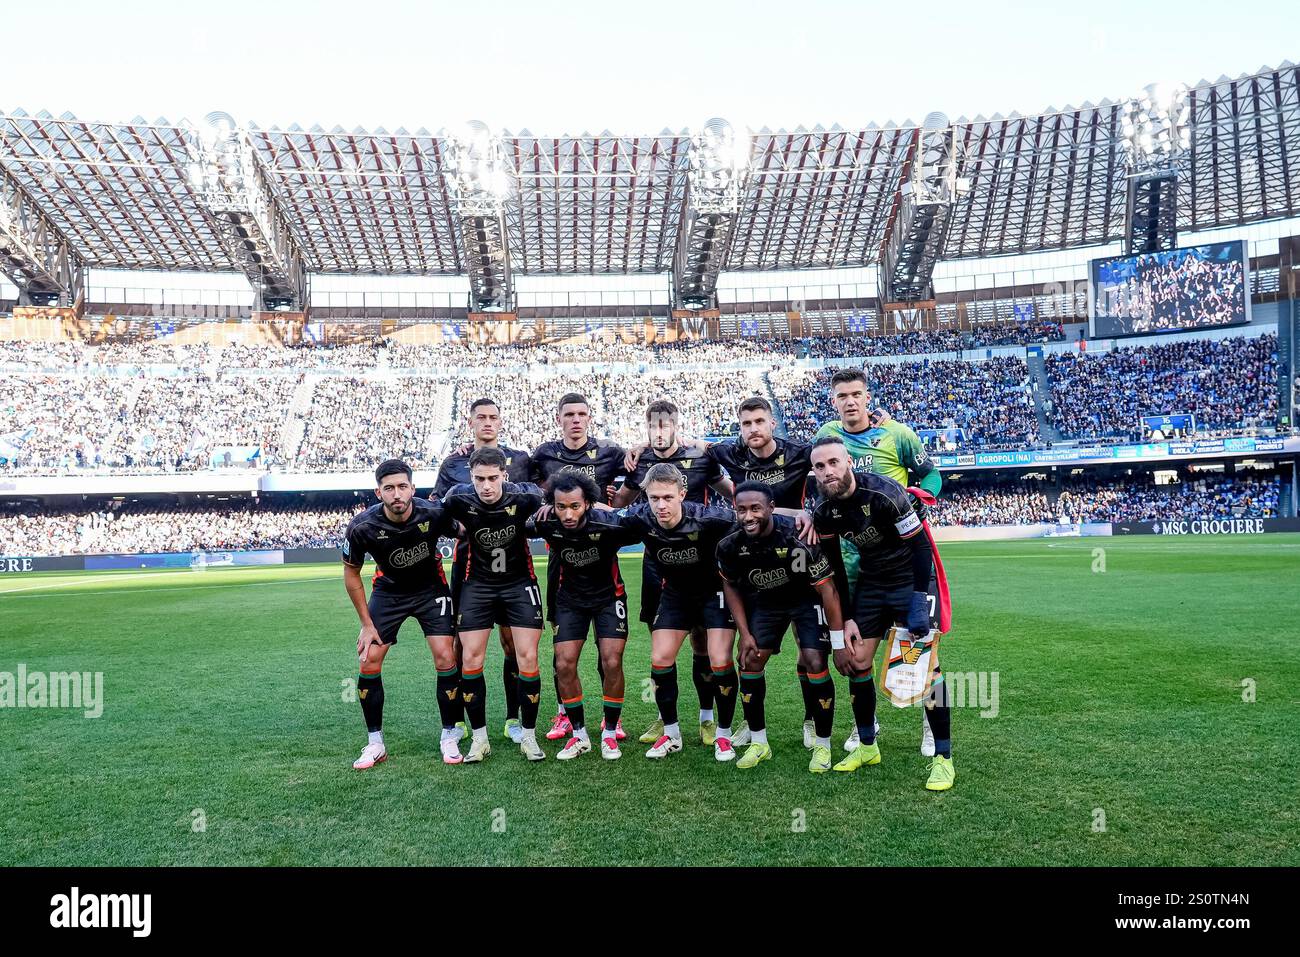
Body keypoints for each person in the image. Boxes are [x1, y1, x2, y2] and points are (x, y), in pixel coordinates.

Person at [808, 436, 954, 791]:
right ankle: (868, 745)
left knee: (924, 667)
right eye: (819, 466)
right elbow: (837, 569)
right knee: (857, 662)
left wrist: (919, 600)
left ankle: (944, 759)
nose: (827, 472)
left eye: (833, 463)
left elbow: (920, 547)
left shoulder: (885, 493)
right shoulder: (825, 511)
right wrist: (848, 621)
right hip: (872, 584)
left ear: (849, 463)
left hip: (911, 580)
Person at [815, 367, 943, 755]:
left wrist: (921, 499)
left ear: (868, 397)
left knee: (921, 653)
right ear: (833, 401)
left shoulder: (898, 434)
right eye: (842, 396)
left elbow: (931, 475)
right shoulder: (826, 437)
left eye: (856, 394)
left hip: (903, 549)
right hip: (857, 560)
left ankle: (931, 726)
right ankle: (865, 729)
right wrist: (808, 512)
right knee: (856, 655)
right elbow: (813, 476)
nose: (850, 402)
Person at [612, 399, 735, 748]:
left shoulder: (701, 457)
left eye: (666, 424)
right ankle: (665, 718)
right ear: (647, 427)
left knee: (702, 641)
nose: (660, 431)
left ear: (676, 425)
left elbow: (732, 495)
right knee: (660, 642)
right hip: (659, 565)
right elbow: (619, 505)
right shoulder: (638, 461)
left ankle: (707, 716)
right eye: (654, 426)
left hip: (703, 562)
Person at [717, 482, 849, 772]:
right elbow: (730, 586)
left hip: (805, 600)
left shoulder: (797, 538)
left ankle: (822, 745)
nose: (748, 516)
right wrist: (744, 634)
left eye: (755, 509)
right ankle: (759, 743)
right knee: (750, 660)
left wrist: (838, 645)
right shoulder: (730, 545)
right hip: (765, 603)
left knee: (814, 660)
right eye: (741, 510)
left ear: (771, 508)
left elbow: (828, 591)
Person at [341, 459, 461, 769]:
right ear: (378, 492)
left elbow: (467, 532)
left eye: (403, 487)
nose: (397, 494)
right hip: (389, 592)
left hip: (431, 589)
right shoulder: (362, 526)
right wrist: (366, 624)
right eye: (389, 488)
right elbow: (351, 573)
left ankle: (450, 734)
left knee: (445, 656)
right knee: (369, 659)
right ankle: (375, 742)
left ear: (412, 488)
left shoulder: (433, 512)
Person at [529, 392, 629, 744]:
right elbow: (515, 479)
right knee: (564, 654)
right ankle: (564, 714)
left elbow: (638, 468)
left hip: (600, 549)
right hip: (562, 562)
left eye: (581, 413)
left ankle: (610, 720)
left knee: (609, 653)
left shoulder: (609, 452)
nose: (575, 419)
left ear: (589, 418)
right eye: (568, 414)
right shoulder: (543, 454)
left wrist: (609, 504)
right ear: (559, 418)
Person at [434, 397, 532, 745]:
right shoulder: (453, 464)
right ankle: (460, 722)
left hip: (512, 567)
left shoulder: (521, 459)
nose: (487, 422)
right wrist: (459, 532)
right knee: (463, 645)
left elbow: (540, 499)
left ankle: (512, 719)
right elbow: (437, 512)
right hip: (469, 565)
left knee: (512, 643)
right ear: (470, 422)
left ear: (501, 422)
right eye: (481, 418)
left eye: (493, 417)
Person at [440, 447, 547, 762]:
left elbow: (557, 505)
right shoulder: (458, 498)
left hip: (519, 585)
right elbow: (437, 516)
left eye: (492, 478)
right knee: (471, 657)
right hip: (478, 585)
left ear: (504, 475)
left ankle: (528, 736)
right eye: (479, 479)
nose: (486, 486)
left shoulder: (526, 497)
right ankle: (479, 738)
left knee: (527, 656)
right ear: (471, 477)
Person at [528, 472, 641, 760]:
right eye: (561, 506)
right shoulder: (545, 524)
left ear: (588, 503)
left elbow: (642, 521)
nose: (567, 513)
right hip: (569, 601)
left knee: (612, 661)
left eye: (575, 506)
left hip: (609, 598)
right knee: (564, 664)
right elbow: (515, 520)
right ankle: (579, 735)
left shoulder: (609, 524)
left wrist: (610, 508)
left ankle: (610, 732)